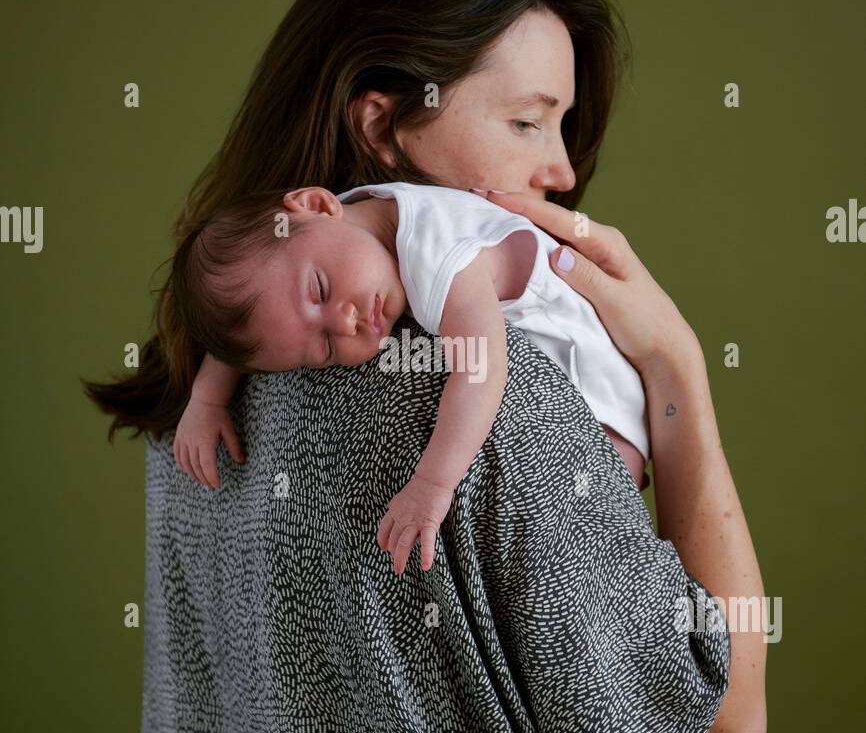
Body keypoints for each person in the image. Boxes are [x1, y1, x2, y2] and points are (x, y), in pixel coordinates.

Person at [84, 0, 767, 733]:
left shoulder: (201, 395)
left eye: (565, 125)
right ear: (386, 124)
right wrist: (677, 372)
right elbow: (722, 722)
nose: (559, 166)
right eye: (525, 120)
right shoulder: (487, 397)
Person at [167, 178, 652, 576]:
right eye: (325, 349)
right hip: (596, 390)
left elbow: (481, 367)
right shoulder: (350, 222)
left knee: (590, 550)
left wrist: (433, 484)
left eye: (321, 289)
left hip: (604, 400)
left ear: (316, 203)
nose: (344, 321)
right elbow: (267, 318)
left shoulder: (436, 252)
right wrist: (208, 397)